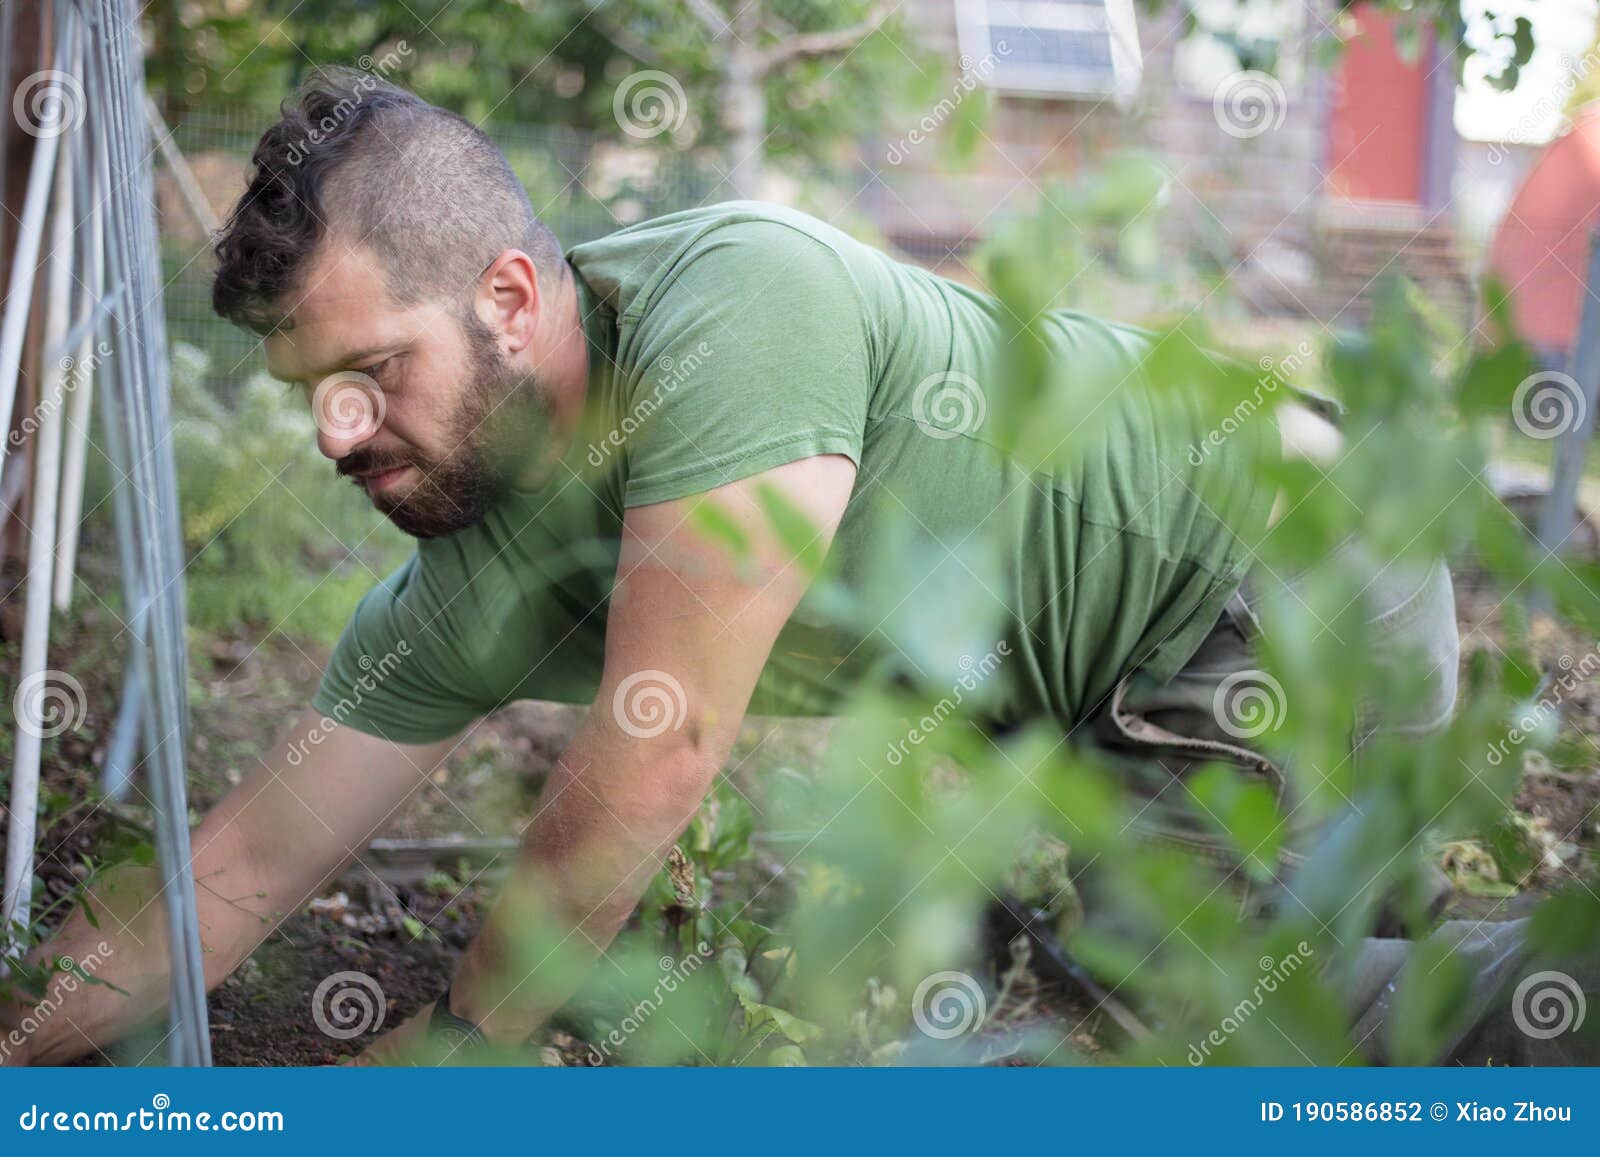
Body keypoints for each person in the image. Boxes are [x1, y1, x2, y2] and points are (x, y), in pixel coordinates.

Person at [1, 71, 1550, 1068]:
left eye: (374, 367)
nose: (341, 430)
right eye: (311, 394)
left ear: (513, 294)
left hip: (1282, 558)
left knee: (1197, 1048)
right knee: (1368, 1008)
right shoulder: (454, 580)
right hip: (1122, 681)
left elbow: (658, 753)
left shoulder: (737, 307)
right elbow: (236, 872)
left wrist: (460, 1057)